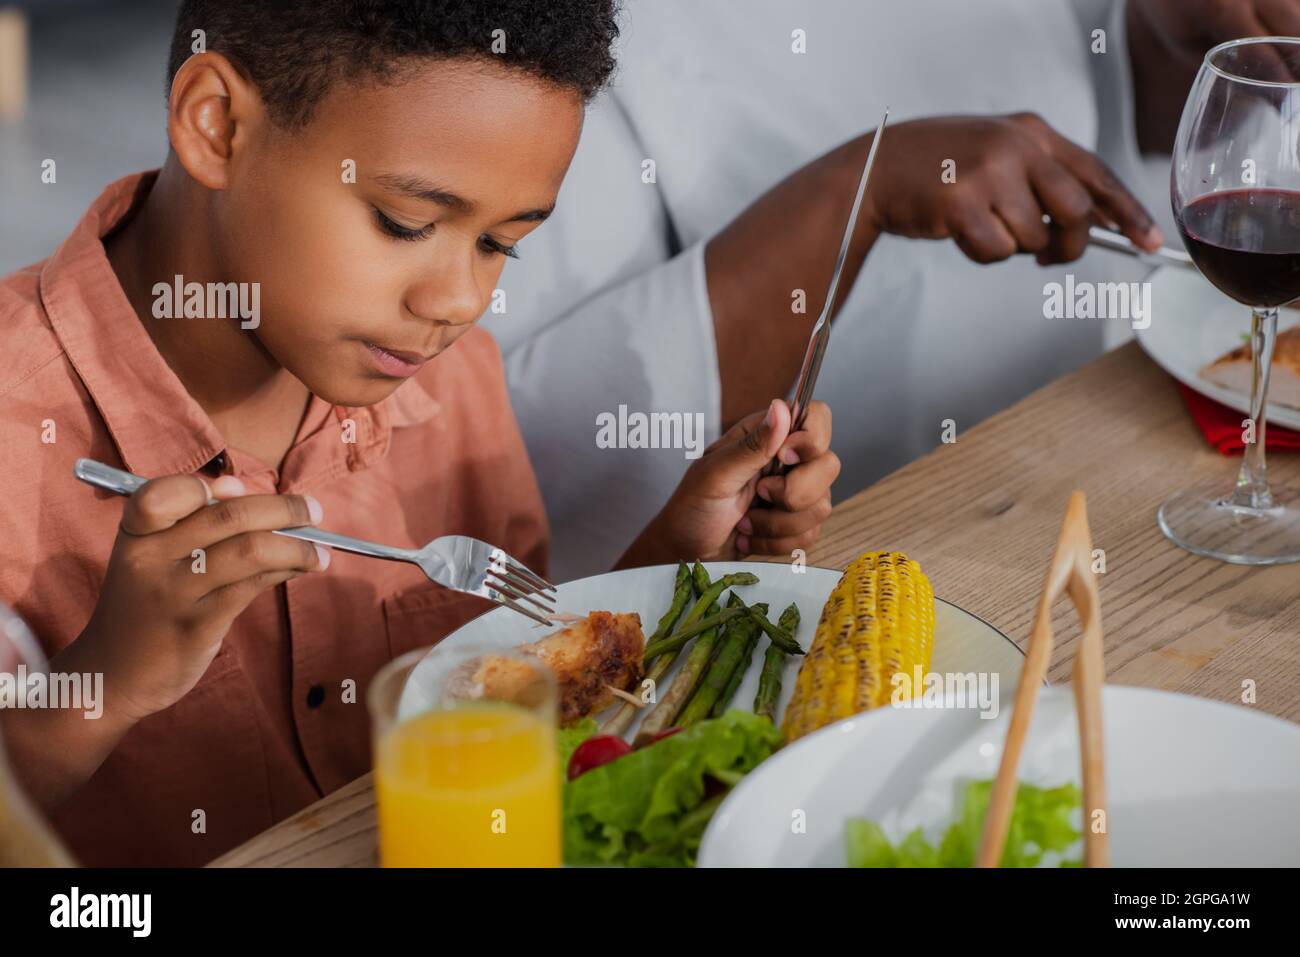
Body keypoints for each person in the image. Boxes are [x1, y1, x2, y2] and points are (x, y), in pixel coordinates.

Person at [0, 0, 839, 866]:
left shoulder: (450, 383)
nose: (458, 302)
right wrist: (106, 683)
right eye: (405, 224)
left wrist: (682, 560)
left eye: (499, 245)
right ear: (216, 126)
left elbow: (511, 690)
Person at [491, 0, 1300, 581]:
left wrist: (1166, 39)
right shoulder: (571, 42)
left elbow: (1132, 128)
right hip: (823, 567)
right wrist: (861, 188)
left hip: (1066, 489)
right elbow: (539, 434)